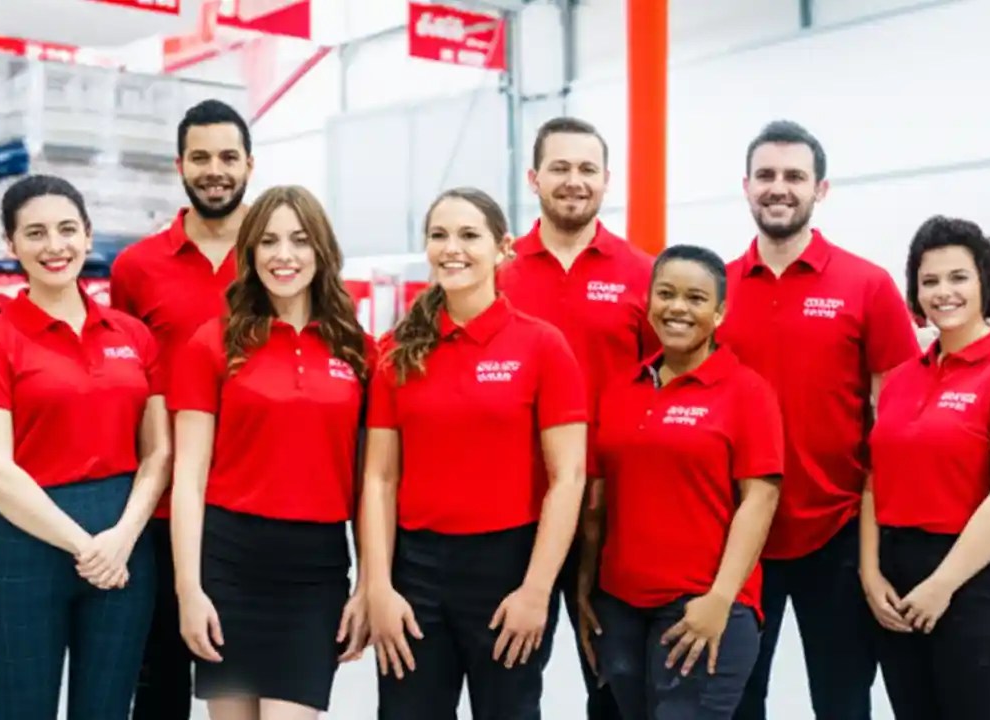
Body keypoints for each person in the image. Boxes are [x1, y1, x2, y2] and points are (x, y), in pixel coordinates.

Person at [362, 187, 588, 719]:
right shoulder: (397, 351)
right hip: (415, 574)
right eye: (439, 235)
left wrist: (537, 590)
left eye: (469, 235)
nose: (452, 248)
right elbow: (378, 479)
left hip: (507, 571)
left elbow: (570, 476)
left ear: (503, 248)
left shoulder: (542, 346)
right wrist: (378, 587)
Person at [726, 120, 920, 720]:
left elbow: (900, 412)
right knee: (735, 699)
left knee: (841, 700)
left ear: (821, 189)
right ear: (746, 186)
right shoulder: (717, 291)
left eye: (793, 176)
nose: (778, 188)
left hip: (836, 533)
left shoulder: (867, 285)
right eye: (766, 176)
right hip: (735, 536)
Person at [0, 174, 168, 719]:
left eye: (68, 229)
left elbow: (158, 452)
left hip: (123, 542)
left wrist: (121, 537)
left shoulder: (131, 335)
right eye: (37, 233)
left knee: (107, 710)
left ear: (89, 236)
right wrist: (84, 545)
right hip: (26, 543)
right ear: (12, 246)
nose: (55, 246)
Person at [167, 185, 371, 719]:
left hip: (316, 571)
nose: (285, 256)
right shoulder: (212, 343)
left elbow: (374, 480)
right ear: (250, 253)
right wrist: (188, 589)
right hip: (229, 564)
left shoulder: (357, 349)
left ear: (322, 251)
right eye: (270, 242)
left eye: (300, 241)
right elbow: (188, 476)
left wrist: (370, 582)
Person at [862, 216, 990, 719]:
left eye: (958, 278)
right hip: (898, 580)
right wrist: (870, 572)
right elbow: (875, 478)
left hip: (979, 583)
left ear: (985, 283)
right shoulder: (903, 378)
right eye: (929, 281)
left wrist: (941, 585)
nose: (942, 292)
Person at [580, 244, 784, 719]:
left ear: (719, 312)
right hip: (622, 609)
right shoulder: (621, 388)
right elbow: (600, 499)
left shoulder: (747, 392)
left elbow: (760, 500)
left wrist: (720, 598)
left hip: (702, 610)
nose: (677, 307)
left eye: (695, 298)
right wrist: (586, 587)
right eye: (666, 293)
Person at [497, 115, 657, 720]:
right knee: (511, 680)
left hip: (616, 513)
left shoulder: (644, 275)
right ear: (534, 177)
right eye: (559, 168)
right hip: (518, 510)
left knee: (616, 681)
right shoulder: (498, 274)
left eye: (587, 169)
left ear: (607, 180)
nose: (573, 181)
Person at [108, 98, 252, 720]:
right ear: (180, 165)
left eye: (227, 156)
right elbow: (122, 381)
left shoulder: (284, 255)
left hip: (252, 503)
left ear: (250, 163)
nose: (214, 169)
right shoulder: (137, 268)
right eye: (200, 157)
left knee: (241, 681)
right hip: (162, 507)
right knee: (158, 679)